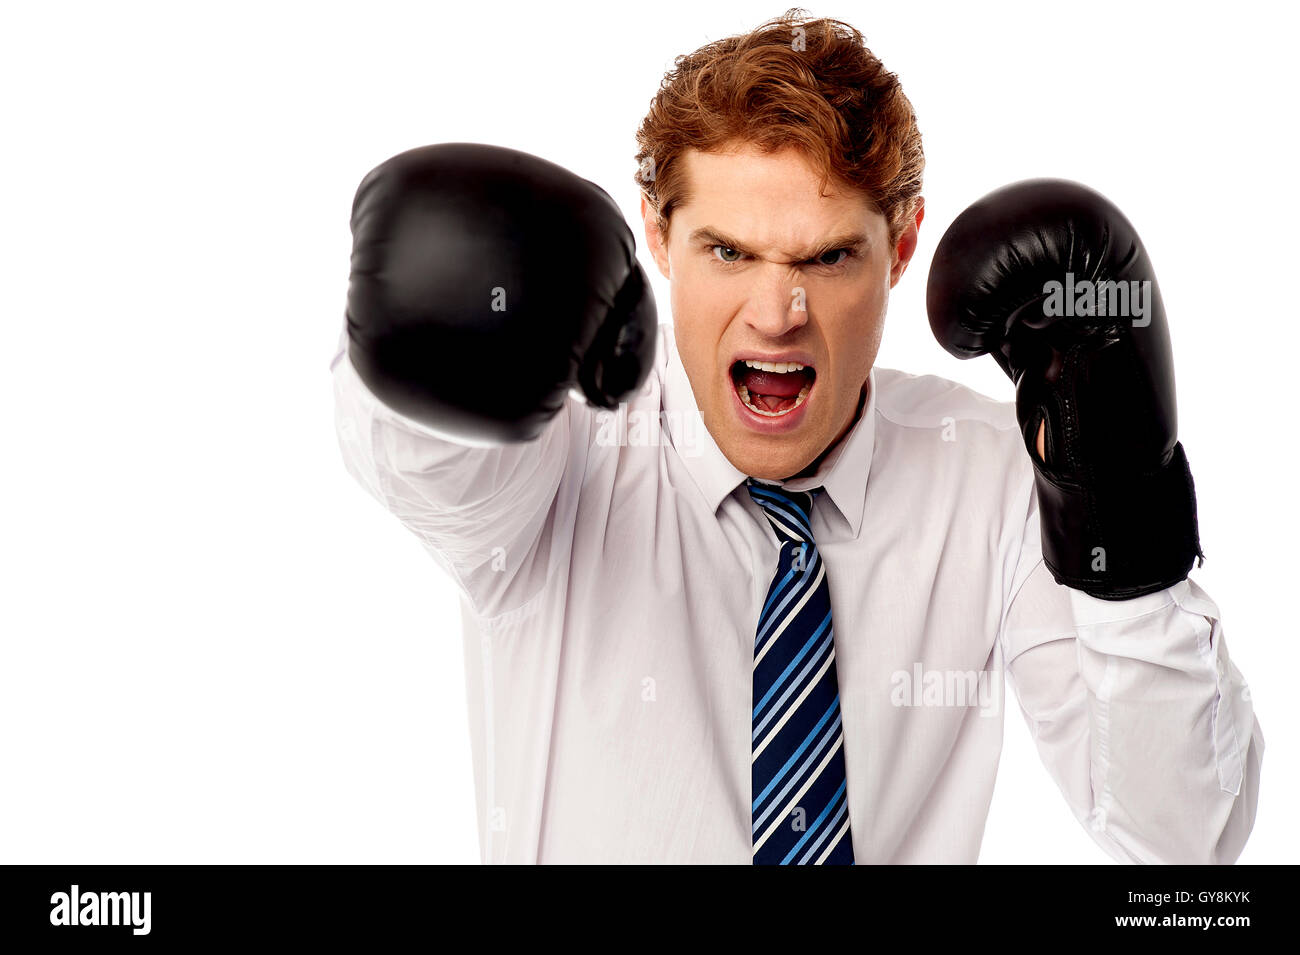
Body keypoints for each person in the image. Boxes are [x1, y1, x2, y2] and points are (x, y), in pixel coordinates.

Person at [331, 11, 1262, 864]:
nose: (777, 315)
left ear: (901, 248)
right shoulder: (570, 451)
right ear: (658, 237)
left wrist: (1120, 499)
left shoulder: (986, 474)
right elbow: (427, 466)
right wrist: (440, 329)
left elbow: (1187, 841)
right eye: (728, 251)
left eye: (829, 257)